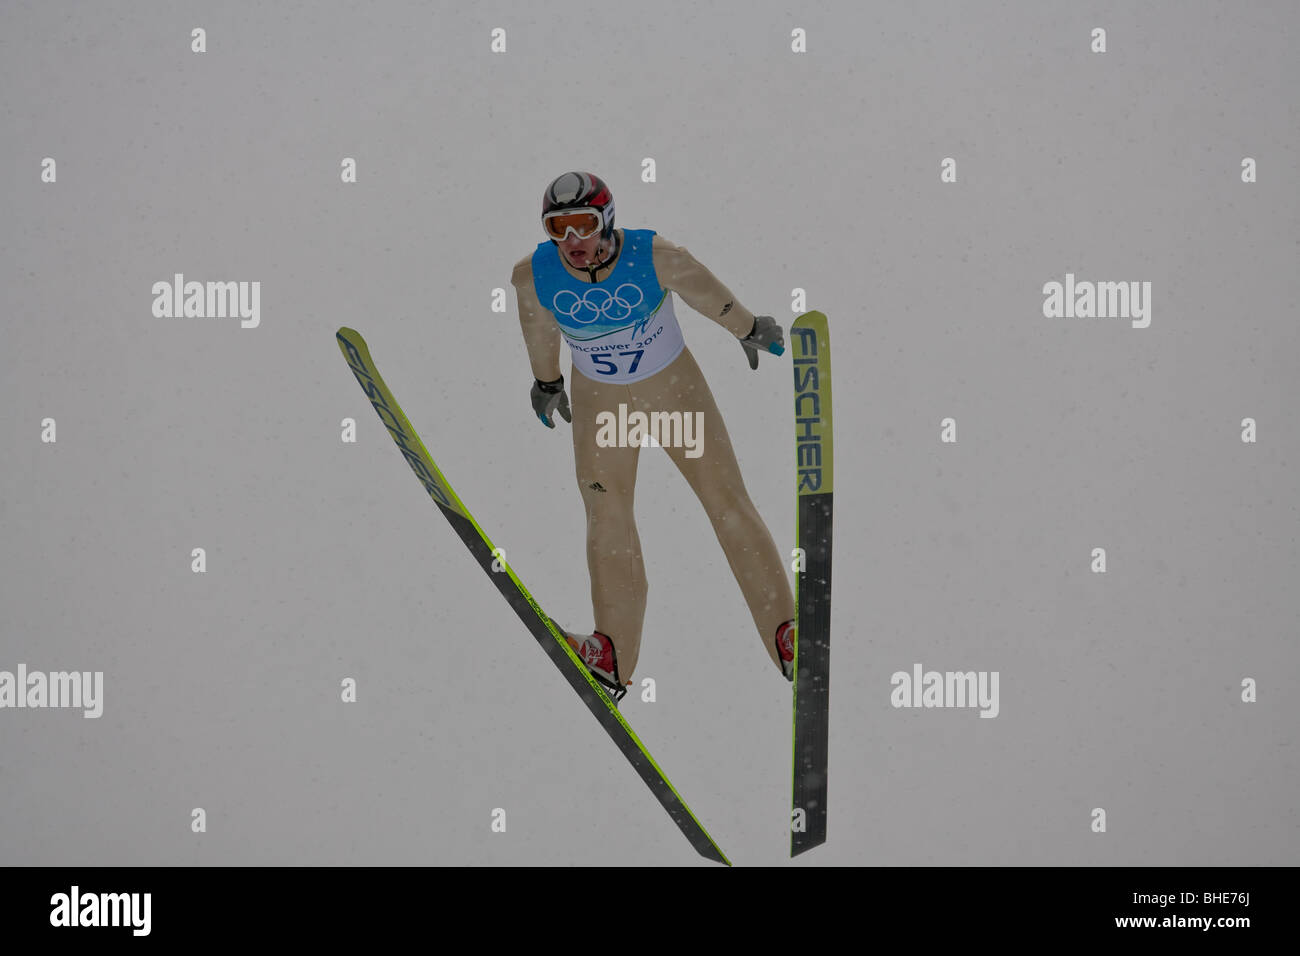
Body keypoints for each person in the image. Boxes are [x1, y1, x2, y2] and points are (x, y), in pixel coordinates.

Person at [511, 171, 794, 702]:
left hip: (672, 396)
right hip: (603, 406)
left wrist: (748, 327)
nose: (572, 242)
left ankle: (786, 633)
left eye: (583, 226)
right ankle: (611, 656)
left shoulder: (653, 255)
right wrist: (546, 380)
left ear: (608, 221)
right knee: (607, 515)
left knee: (726, 502)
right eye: (559, 228)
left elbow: (704, 291)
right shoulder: (534, 274)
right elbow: (537, 324)